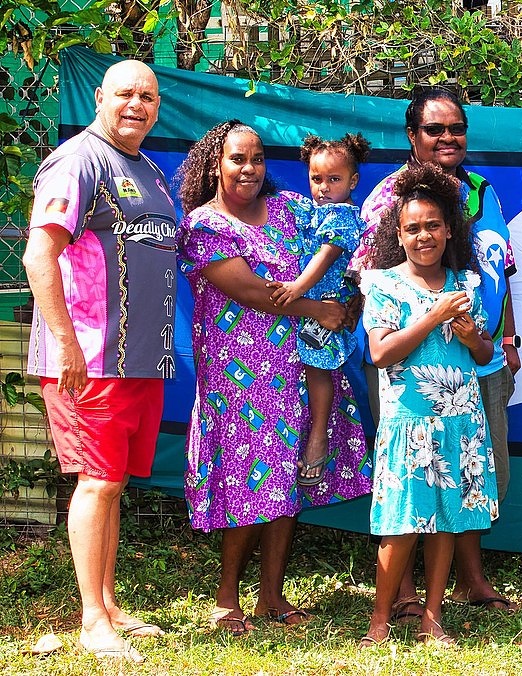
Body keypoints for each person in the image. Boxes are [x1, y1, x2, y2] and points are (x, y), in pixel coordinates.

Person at [175, 120, 371, 635]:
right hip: (238, 381)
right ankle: (226, 597)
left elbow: (340, 241)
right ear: (215, 164)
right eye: (238, 159)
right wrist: (317, 309)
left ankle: (271, 596)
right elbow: (249, 291)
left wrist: (349, 299)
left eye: (258, 159)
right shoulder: (204, 225)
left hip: (298, 368)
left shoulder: (289, 208)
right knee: (244, 480)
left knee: (285, 480)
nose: (250, 169)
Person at [23, 59, 174, 664]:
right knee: (97, 482)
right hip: (90, 359)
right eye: (125, 94)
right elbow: (39, 256)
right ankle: (92, 621)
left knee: (113, 484)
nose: (136, 105)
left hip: (139, 360)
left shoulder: (147, 168)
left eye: (148, 96)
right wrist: (65, 344)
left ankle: (109, 604)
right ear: (98, 98)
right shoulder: (77, 161)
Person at [353, 87, 518, 617]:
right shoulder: (388, 196)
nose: (448, 138)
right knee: (411, 482)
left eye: (456, 128)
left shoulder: (482, 190)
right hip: (413, 372)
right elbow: (369, 282)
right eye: (434, 129)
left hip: (478, 358)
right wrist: (427, 319)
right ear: (412, 136)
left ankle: (470, 581)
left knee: (477, 473)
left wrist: (506, 338)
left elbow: (501, 269)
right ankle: (402, 596)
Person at [357, 164, 498, 648]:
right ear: (398, 234)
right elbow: (380, 353)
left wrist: (472, 337)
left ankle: (433, 618)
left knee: (446, 520)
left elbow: (483, 353)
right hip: (410, 422)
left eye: (433, 225)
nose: (424, 236)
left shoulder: (466, 283)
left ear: (449, 230)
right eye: (413, 228)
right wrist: (434, 316)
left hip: (460, 420)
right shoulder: (383, 284)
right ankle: (380, 620)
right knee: (401, 523)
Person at [269, 133, 371, 486]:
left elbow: (326, 256)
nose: (324, 187)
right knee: (310, 372)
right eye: (316, 178)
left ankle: (318, 435)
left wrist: (297, 288)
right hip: (312, 308)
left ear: (353, 182)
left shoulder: (342, 215)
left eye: (334, 179)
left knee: (317, 371)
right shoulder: (316, 210)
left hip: (327, 307)